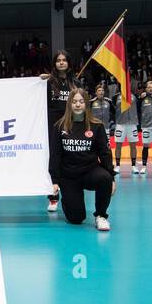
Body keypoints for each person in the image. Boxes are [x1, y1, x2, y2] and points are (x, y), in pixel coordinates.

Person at [49, 86, 114, 231]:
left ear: (86, 104)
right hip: (69, 176)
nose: (78, 105)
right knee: (76, 219)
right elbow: (55, 155)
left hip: (89, 172)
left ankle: (101, 216)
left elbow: (105, 153)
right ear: (69, 104)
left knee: (105, 178)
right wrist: (54, 181)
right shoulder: (59, 126)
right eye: (74, 102)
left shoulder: (97, 126)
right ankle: (69, 198)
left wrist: (112, 178)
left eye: (81, 101)